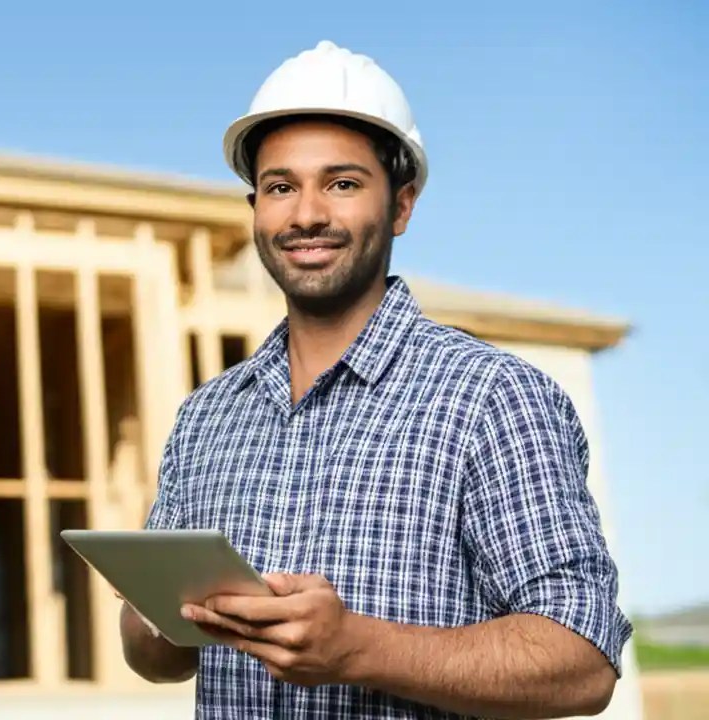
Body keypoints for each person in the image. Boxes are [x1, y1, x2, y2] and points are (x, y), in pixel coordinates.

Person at [119, 40, 632, 719]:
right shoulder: (207, 417)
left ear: (401, 206)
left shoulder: (493, 399)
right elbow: (155, 653)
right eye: (280, 187)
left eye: (342, 183)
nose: (305, 214)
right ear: (255, 210)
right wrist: (159, 621)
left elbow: (584, 662)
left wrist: (358, 648)